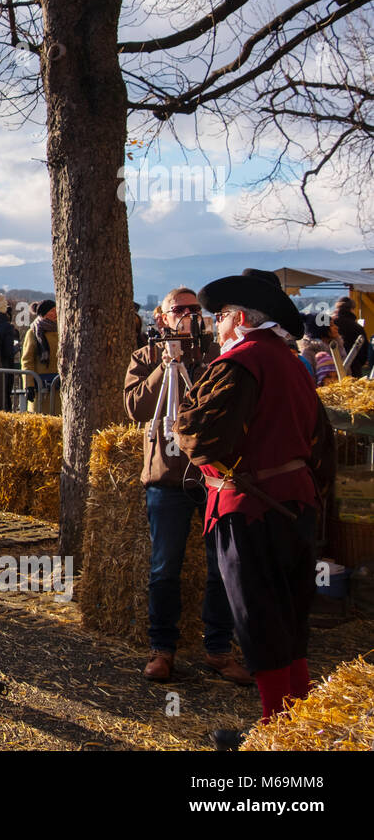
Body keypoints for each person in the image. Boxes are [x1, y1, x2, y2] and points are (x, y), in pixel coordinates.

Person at [174, 268, 336, 749]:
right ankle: (298, 721)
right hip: (297, 504)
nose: (215, 324)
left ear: (240, 319)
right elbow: (321, 445)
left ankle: (274, 728)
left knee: (257, 617)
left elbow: (202, 437)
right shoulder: (291, 362)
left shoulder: (240, 362)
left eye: (220, 316)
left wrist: (186, 417)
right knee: (290, 613)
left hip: (251, 509)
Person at [123, 287, 248, 686]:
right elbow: (135, 408)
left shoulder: (218, 355)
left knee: (221, 566)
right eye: (180, 309)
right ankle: (162, 650)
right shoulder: (145, 356)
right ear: (162, 317)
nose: (190, 315)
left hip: (214, 476)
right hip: (167, 476)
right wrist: (166, 363)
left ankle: (219, 649)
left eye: (196, 309)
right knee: (164, 568)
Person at [22, 299, 59, 415]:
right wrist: (29, 385)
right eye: (51, 311)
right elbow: (27, 361)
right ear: (43, 314)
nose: (55, 314)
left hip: (60, 386)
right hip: (42, 387)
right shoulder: (33, 333)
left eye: (56, 310)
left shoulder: (63, 330)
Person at [297, 313, 340, 386]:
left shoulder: (336, 346)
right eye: (331, 325)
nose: (336, 327)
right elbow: (309, 379)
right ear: (321, 328)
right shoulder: (309, 351)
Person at [331, 296, 367, 375]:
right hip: (354, 367)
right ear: (351, 309)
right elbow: (364, 350)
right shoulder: (357, 327)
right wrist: (359, 363)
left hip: (333, 366)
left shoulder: (331, 324)